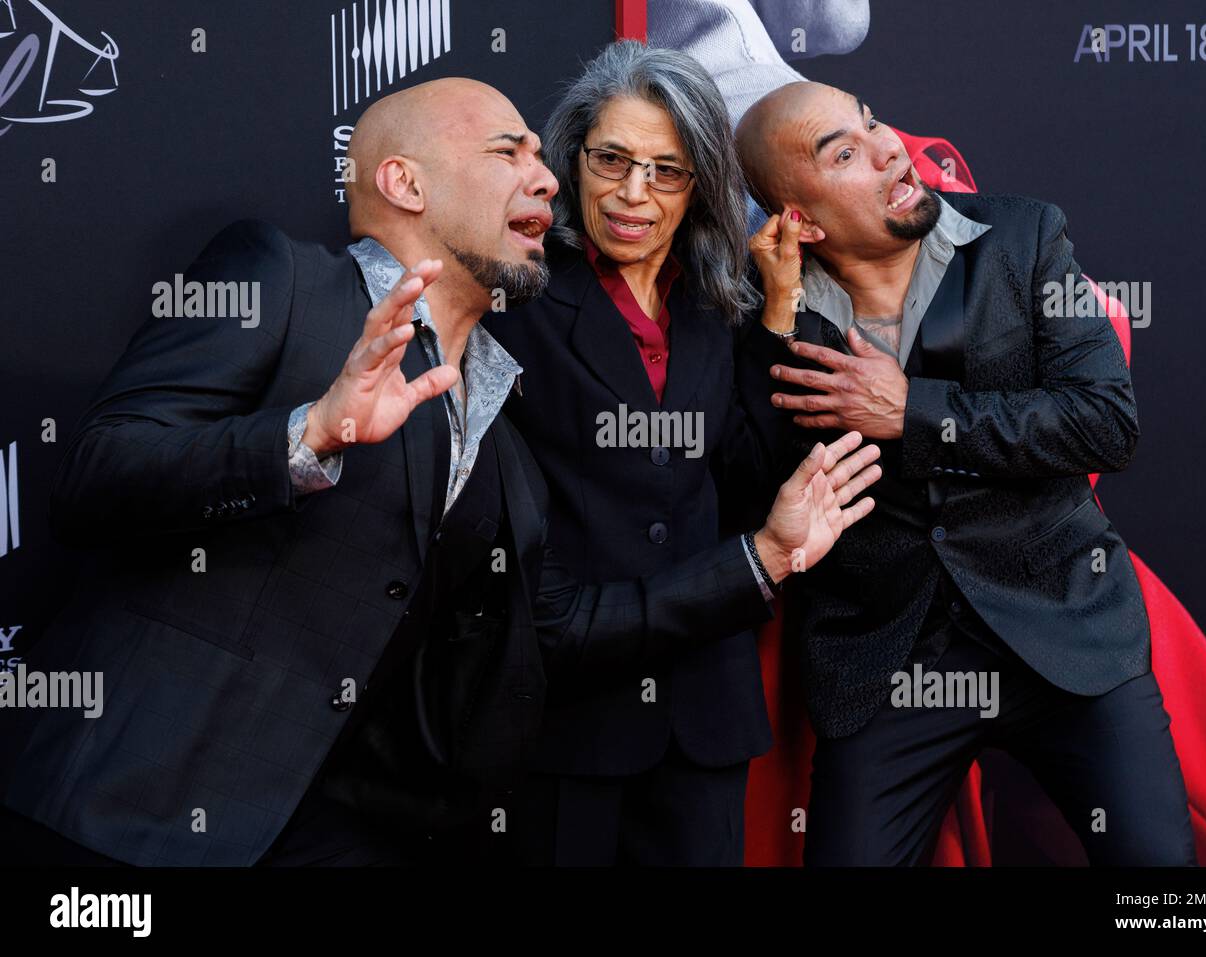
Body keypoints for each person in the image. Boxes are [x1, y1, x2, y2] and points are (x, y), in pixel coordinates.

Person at [0, 77, 882, 867]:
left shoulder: (500, 438)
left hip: (345, 829)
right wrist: (306, 433)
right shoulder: (289, 283)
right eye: (515, 152)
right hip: (118, 816)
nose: (547, 175)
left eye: (542, 156)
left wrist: (764, 554)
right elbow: (94, 477)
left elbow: (558, 623)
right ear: (405, 183)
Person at [733, 80, 1196, 866]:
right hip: (888, 659)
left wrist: (914, 410)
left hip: (1064, 629)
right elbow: (747, 491)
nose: (889, 149)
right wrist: (774, 324)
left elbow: (1106, 423)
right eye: (845, 152)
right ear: (799, 220)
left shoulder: (1021, 238)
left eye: (871, 123)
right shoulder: (771, 314)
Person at [485, 41, 850, 866]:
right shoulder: (517, 297)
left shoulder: (719, 304)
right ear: (573, 156)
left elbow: (751, 484)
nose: (633, 194)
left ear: (701, 186)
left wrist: (780, 318)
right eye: (612, 159)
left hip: (703, 720)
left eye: (667, 171)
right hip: (567, 721)